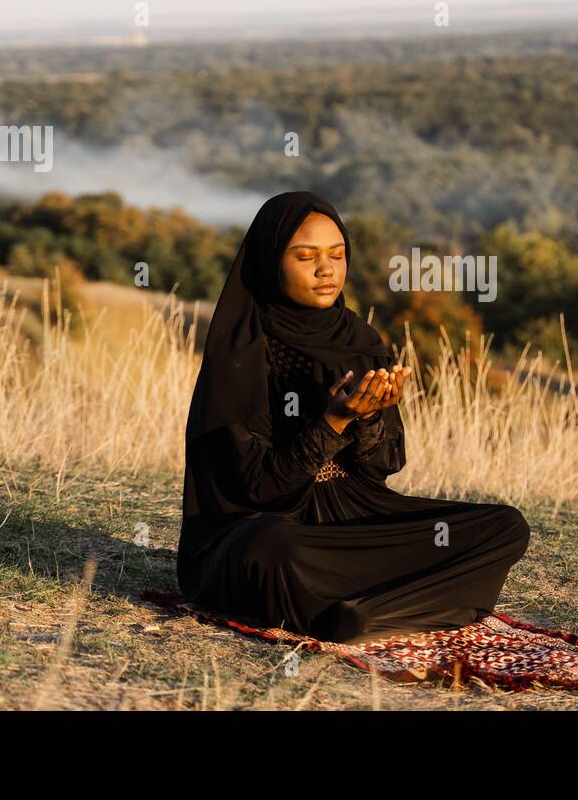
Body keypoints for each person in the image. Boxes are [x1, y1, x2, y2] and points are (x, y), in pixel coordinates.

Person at [177, 190, 530, 643]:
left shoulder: (359, 340)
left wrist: (372, 418)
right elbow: (260, 490)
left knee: (504, 527)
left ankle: (365, 614)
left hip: (351, 522)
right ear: (270, 262)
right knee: (270, 549)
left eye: (337, 255)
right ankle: (397, 604)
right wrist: (334, 422)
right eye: (306, 257)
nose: (326, 270)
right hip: (268, 531)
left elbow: (385, 466)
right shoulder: (242, 349)